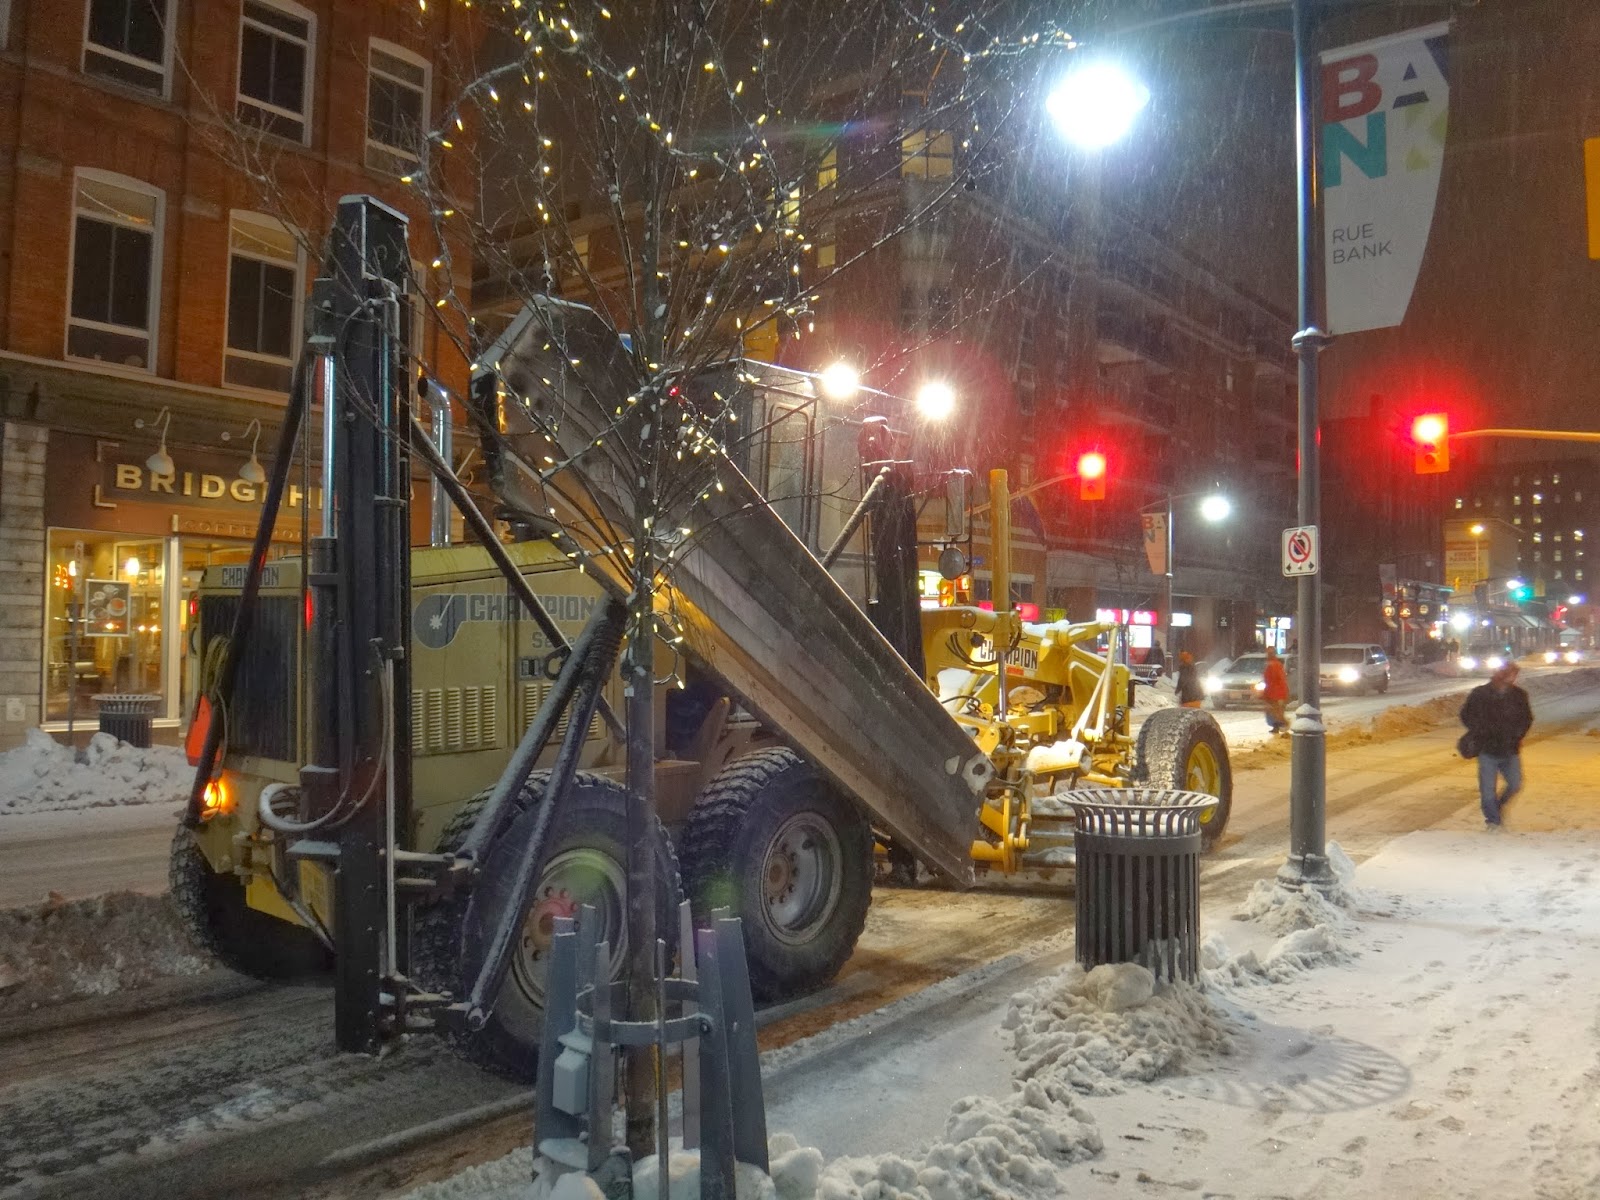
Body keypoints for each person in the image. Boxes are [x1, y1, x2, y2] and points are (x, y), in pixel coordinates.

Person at [1459, 662, 1534, 829]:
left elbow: (1526, 719)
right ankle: (1493, 821)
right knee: (1487, 791)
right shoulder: (1480, 694)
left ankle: (1496, 808)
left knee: (1514, 784)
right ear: (1499, 674)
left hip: (1510, 748)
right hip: (1487, 748)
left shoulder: (1519, 695)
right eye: (1509, 674)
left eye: (1514, 675)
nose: (1512, 678)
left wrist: (1517, 735)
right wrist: (1479, 730)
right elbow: (1465, 714)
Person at [1261, 647, 1290, 736]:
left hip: (1275, 693)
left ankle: (1283, 725)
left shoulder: (1273, 665)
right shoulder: (1275, 664)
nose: (1268, 655)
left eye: (1270, 653)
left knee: (1275, 711)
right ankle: (1277, 726)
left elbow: (1274, 680)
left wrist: (1268, 692)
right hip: (1275, 692)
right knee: (1274, 711)